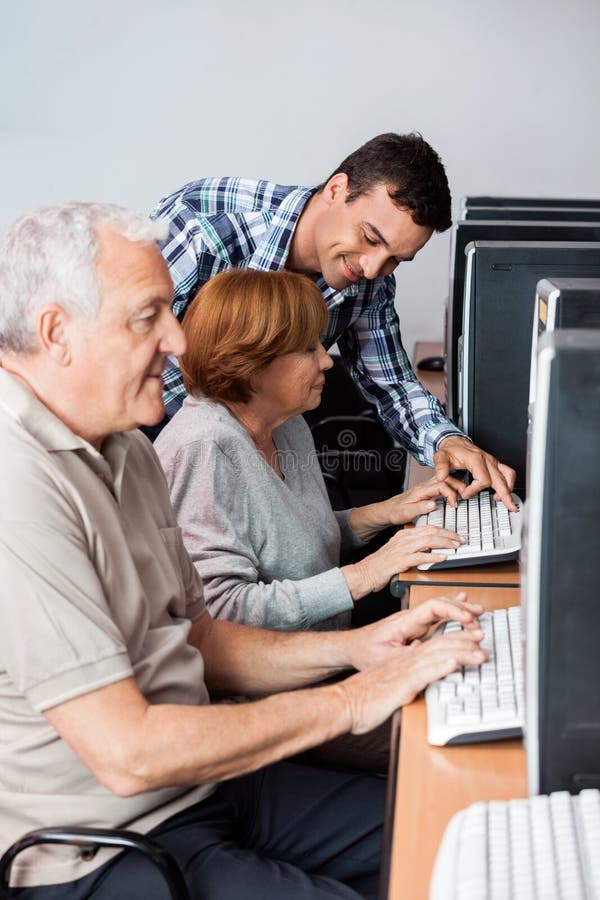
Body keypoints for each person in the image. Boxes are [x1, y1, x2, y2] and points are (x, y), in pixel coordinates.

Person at [0, 202, 486, 900]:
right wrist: (353, 698)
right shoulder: (17, 484)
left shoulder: (127, 447)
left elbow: (200, 636)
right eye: (149, 317)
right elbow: (127, 754)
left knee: (457, 830)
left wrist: (360, 649)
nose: (176, 340)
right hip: (103, 845)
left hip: (203, 783)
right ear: (57, 333)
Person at [151, 131, 517, 508]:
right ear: (336, 189)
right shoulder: (204, 226)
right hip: (151, 434)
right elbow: (122, 350)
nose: (374, 268)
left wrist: (446, 440)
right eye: (371, 237)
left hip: (249, 449)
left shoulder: (368, 281)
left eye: (395, 259)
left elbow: (390, 385)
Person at [155, 268, 463, 633]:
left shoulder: (284, 422)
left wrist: (389, 511)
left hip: (329, 646)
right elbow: (221, 613)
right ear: (250, 365)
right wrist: (367, 572)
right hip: (272, 681)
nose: (327, 361)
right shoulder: (202, 451)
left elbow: (296, 548)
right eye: (307, 349)